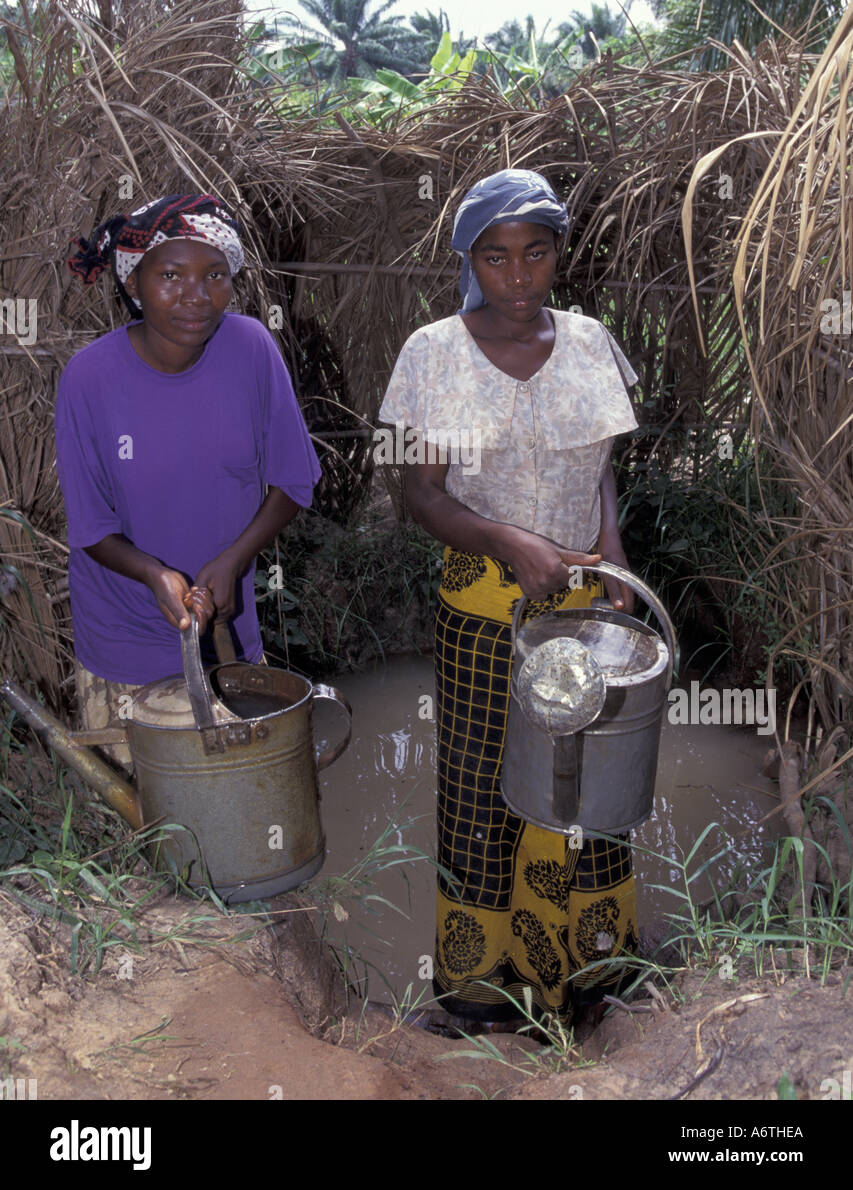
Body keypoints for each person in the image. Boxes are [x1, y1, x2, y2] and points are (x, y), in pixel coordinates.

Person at [379, 168, 639, 1029]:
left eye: (535, 254)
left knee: (585, 789)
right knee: (484, 787)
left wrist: (615, 560)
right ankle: (480, 993)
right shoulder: (433, 353)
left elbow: (601, 470)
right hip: (483, 609)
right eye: (496, 258)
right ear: (469, 261)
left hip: (586, 609)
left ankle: (588, 980)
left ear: (558, 253)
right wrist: (506, 541)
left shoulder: (592, 342)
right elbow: (418, 494)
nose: (518, 277)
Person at [57, 193, 320, 768]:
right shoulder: (89, 379)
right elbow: (92, 527)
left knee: (241, 815)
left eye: (215, 275)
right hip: (124, 642)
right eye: (171, 275)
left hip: (227, 636)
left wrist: (232, 562)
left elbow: (294, 481)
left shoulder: (250, 347)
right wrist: (156, 575)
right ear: (134, 281)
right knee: (148, 826)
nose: (196, 297)